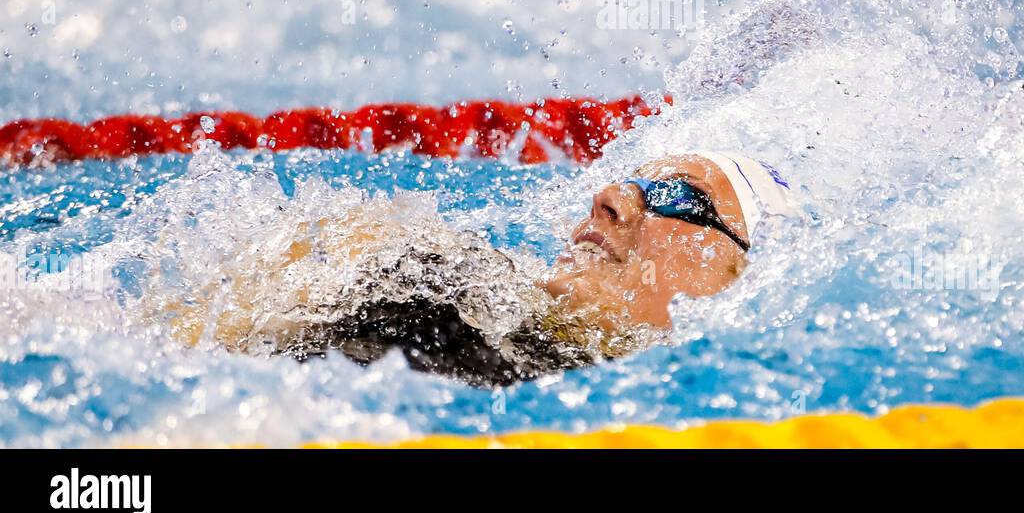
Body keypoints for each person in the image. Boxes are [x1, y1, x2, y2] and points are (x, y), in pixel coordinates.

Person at [160, 151, 799, 387]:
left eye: (676, 197)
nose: (609, 196)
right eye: (625, 179)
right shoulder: (448, 288)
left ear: (740, 274)